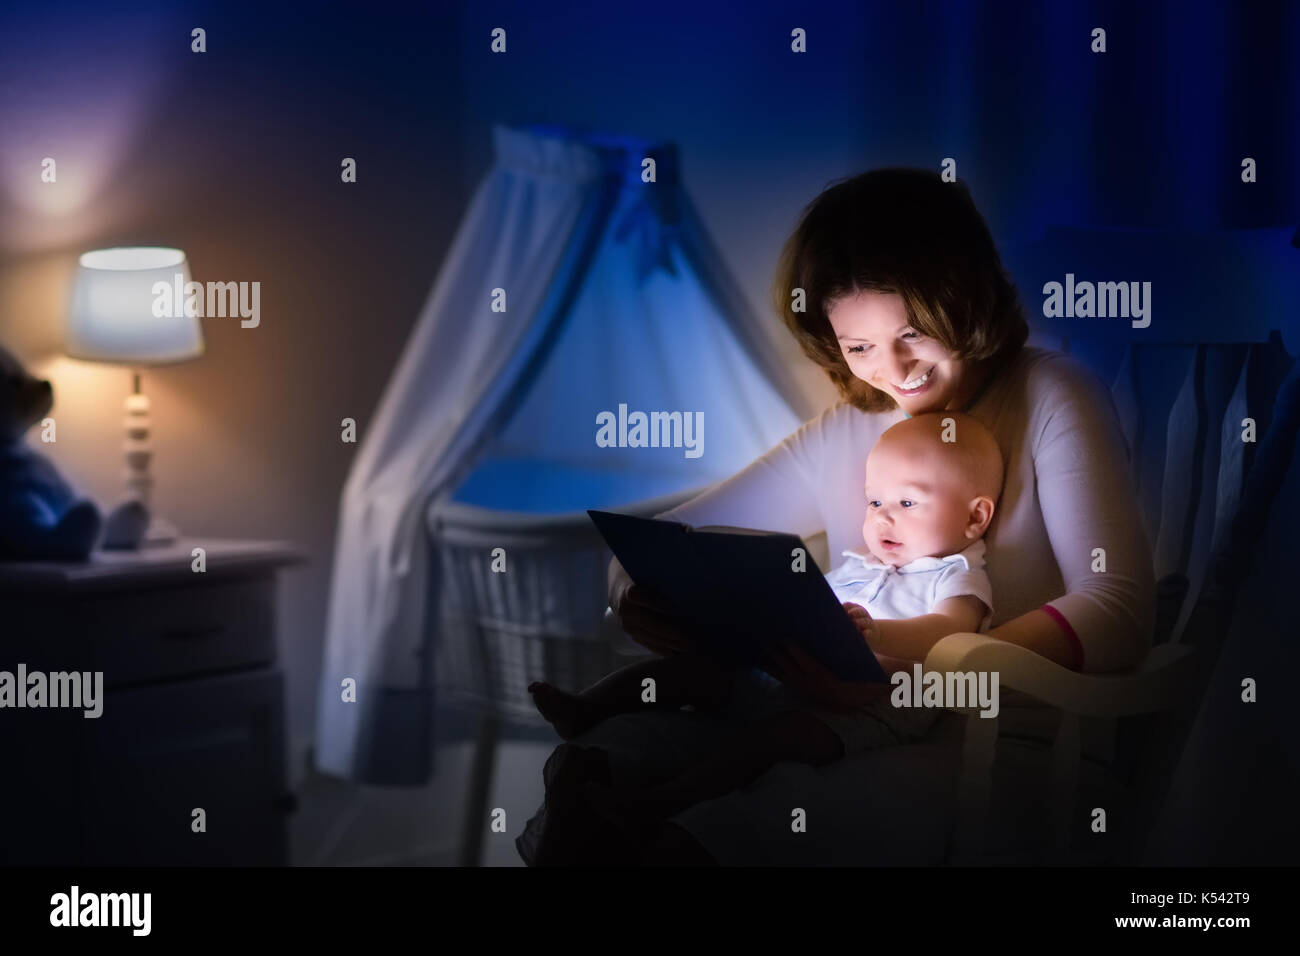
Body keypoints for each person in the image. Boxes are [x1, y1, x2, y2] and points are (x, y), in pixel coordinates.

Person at [517, 167, 1155, 866]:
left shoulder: (1053, 394)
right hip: (824, 716)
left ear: (965, 298)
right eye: (859, 347)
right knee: (612, 761)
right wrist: (632, 595)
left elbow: (1117, 609)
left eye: (913, 330)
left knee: (735, 826)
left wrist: (927, 673)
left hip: (1004, 745)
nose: (894, 369)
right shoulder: (851, 428)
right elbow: (658, 542)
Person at [525, 412, 1002, 844]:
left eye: (906, 501)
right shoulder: (860, 563)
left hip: (876, 707)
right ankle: (588, 707)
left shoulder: (955, 574)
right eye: (874, 500)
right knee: (697, 668)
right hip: (795, 675)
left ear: (974, 516)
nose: (882, 516)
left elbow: (948, 633)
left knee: (774, 740)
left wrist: (878, 636)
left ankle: (656, 803)